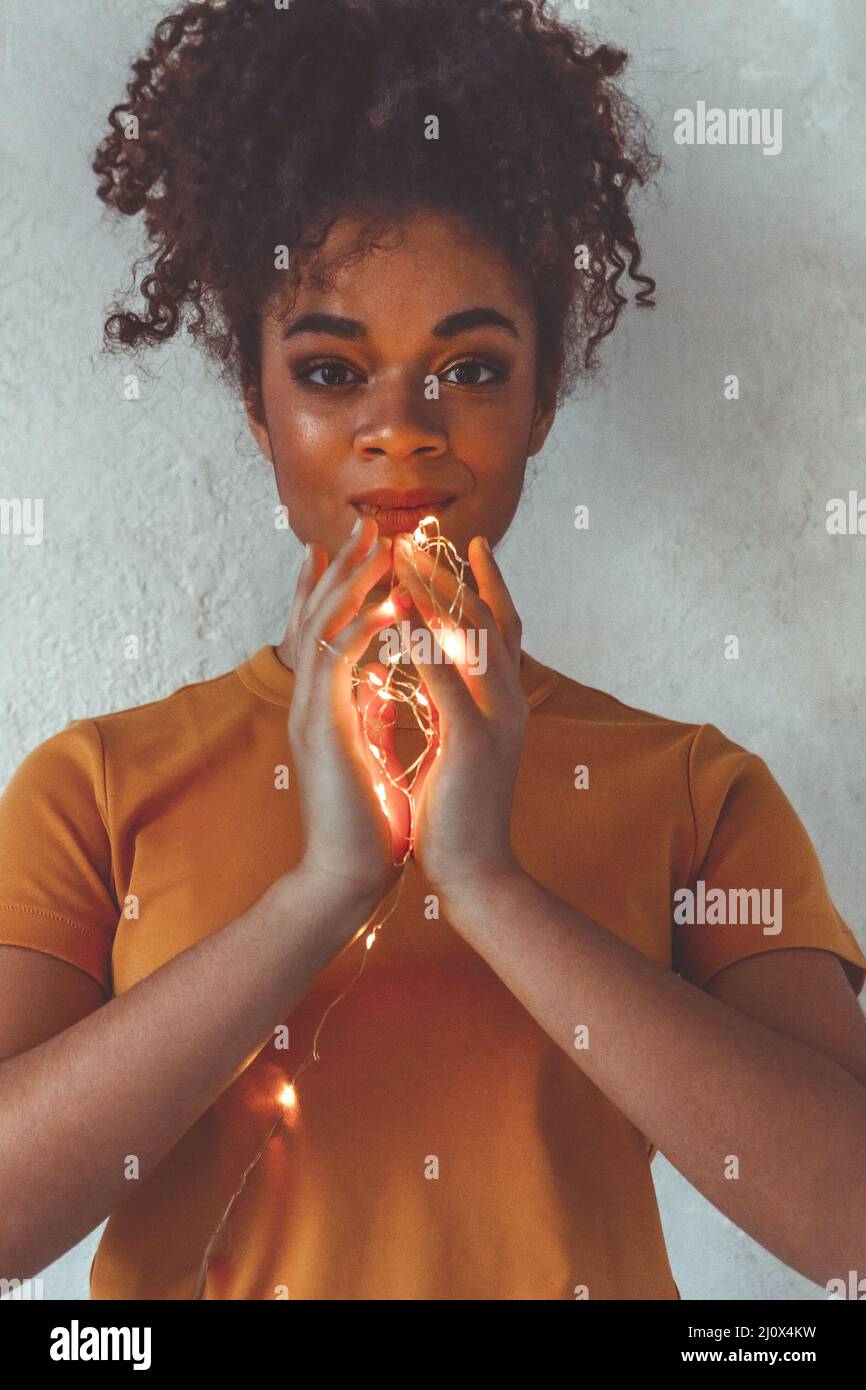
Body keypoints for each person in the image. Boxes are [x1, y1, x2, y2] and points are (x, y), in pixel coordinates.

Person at [1, 0, 865, 1302]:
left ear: (538, 405)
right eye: (332, 370)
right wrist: (322, 885)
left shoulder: (690, 787)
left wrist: (485, 876)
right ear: (255, 405)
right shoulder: (96, 786)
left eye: (467, 369)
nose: (399, 433)